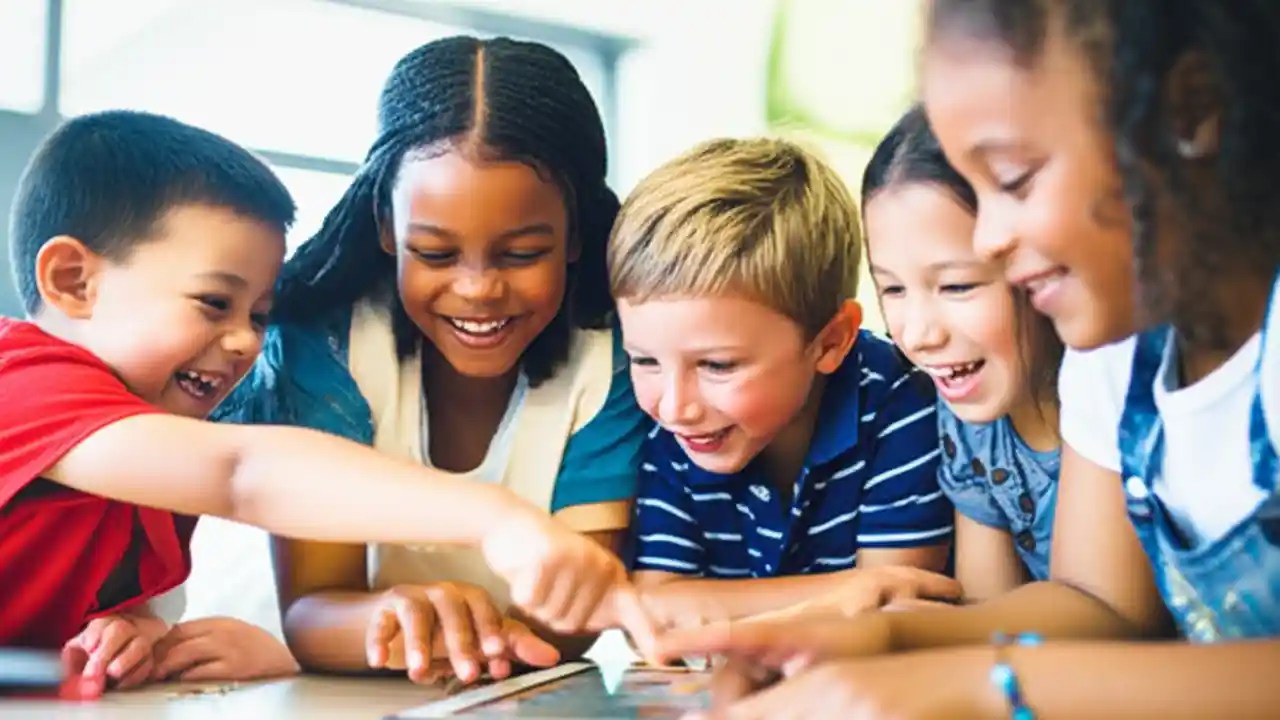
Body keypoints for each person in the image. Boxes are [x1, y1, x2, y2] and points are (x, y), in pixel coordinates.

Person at [653, 1, 1280, 717]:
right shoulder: (1115, 358)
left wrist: (978, 685)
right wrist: (877, 642)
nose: (988, 241)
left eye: (1013, 179)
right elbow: (1101, 604)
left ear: (1190, 113)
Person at [0, 110, 648, 699]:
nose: (244, 341)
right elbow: (242, 474)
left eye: (260, 314)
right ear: (72, 281)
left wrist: (135, 637)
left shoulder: (153, 443)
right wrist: (498, 519)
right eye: (214, 303)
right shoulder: (22, 382)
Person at [211, 36, 651, 685]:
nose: (477, 289)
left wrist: (452, 633)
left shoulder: (615, 359)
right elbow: (309, 613)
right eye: (437, 255)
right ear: (386, 226)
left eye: (523, 254)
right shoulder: (328, 342)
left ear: (577, 234)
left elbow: (571, 622)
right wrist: (388, 620)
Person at [609, 137, 959, 628]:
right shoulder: (676, 435)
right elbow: (650, 606)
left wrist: (702, 606)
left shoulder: (898, 406)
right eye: (644, 361)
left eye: (717, 366)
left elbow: (893, 605)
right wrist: (843, 591)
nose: (673, 407)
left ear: (831, 341)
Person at [862, 106, 1063, 600]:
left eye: (956, 286)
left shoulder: (1105, 393)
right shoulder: (970, 422)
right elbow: (985, 607)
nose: (919, 334)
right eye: (892, 290)